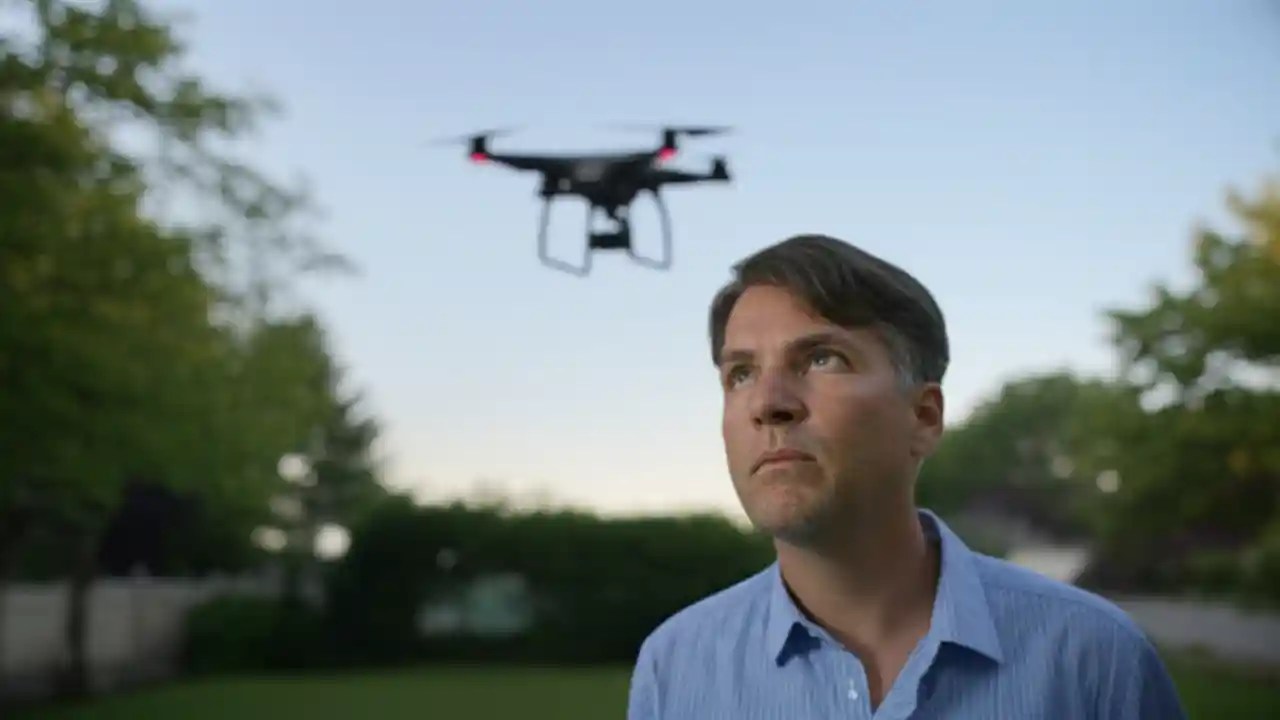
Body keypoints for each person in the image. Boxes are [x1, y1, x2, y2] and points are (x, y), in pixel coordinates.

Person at [626, 234, 1186, 719]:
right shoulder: (674, 669)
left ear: (923, 417)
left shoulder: (1094, 659)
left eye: (822, 358)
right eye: (741, 374)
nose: (767, 404)